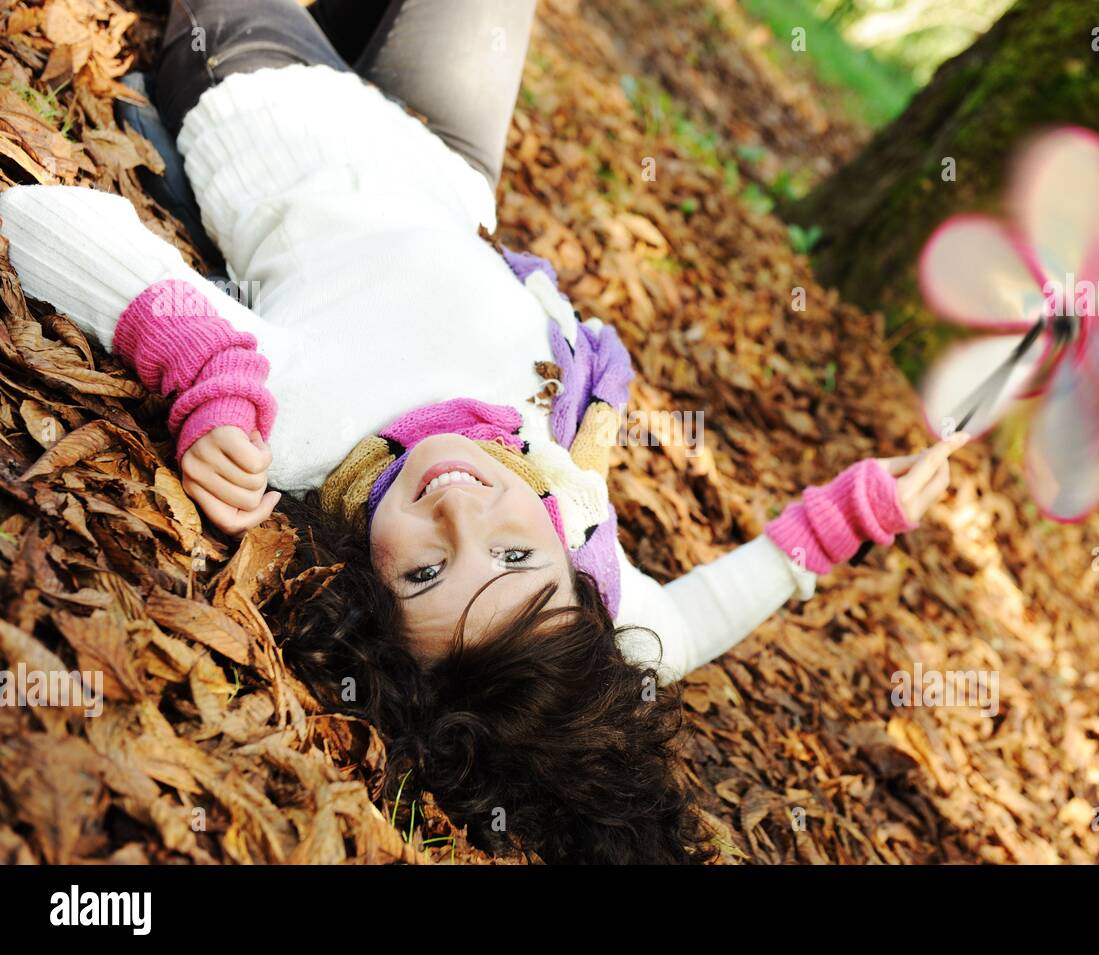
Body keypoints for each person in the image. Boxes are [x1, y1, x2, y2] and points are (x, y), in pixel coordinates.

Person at [0, 0, 967, 862]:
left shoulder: (296, 433)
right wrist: (855, 514)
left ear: (370, 604)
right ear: (582, 575)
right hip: (453, 167)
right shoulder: (582, 588)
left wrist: (201, 362)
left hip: (270, 99)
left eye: (425, 572)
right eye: (513, 551)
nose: (459, 510)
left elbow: (38, 226)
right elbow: (696, 619)